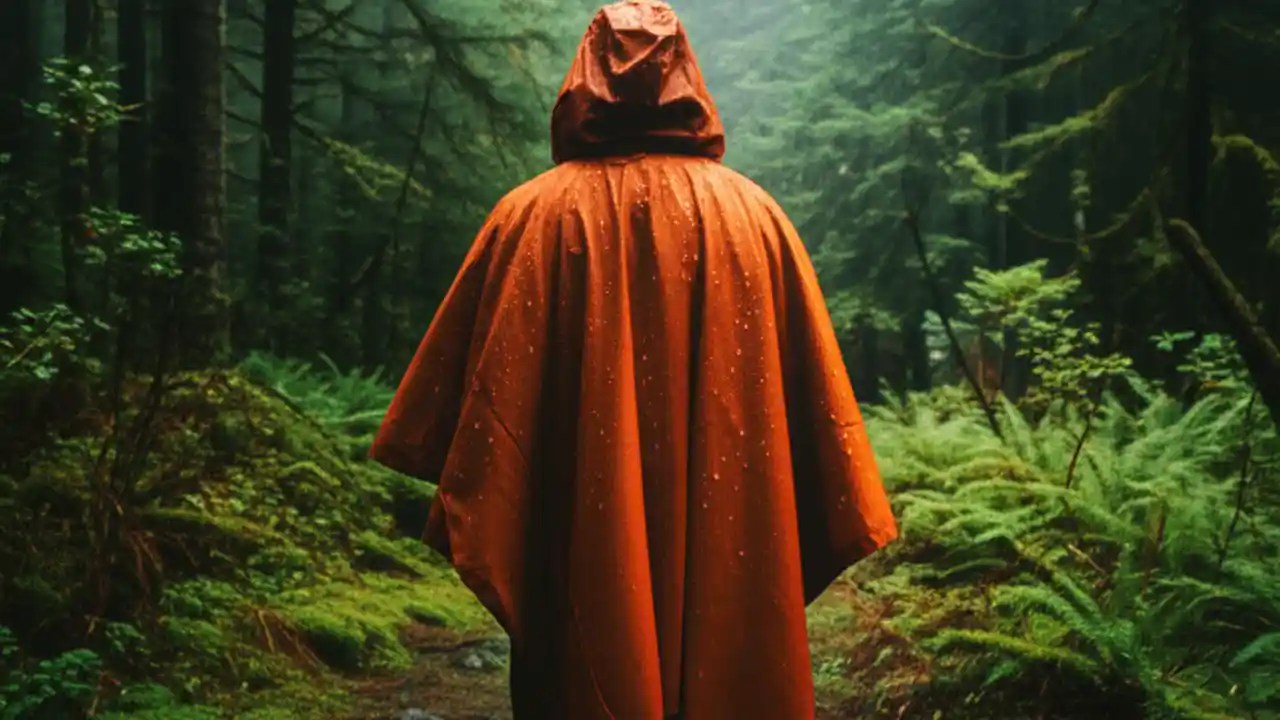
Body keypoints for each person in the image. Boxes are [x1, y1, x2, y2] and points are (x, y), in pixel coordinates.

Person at [369, 1, 899, 717]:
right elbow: (822, 443)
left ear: (583, 75)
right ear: (686, 76)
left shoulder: (528, 220)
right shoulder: (758, 220)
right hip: (729, 558)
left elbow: (466, 424)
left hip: (578, 563)